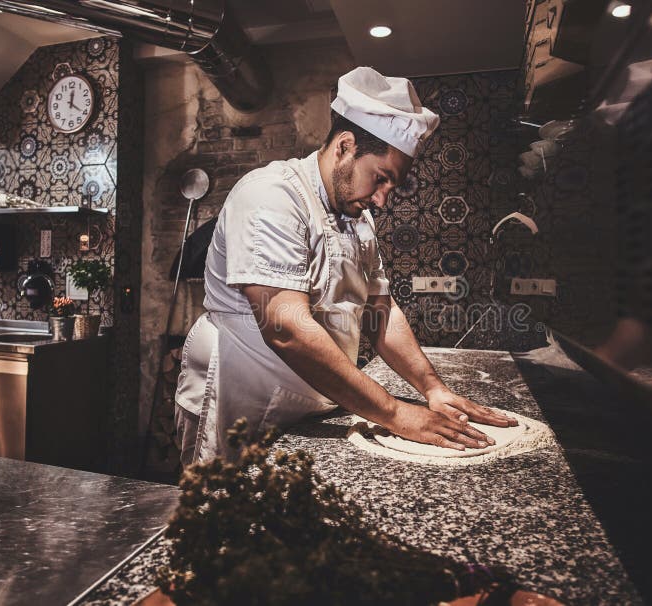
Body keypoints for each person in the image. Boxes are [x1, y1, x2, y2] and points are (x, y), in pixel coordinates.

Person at [174, 67, 516, 465]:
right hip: (241, 404)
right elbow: (286, 330)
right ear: (344, 146)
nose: (382, 200)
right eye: (381, 178)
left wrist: (432, 388)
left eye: (392, 186)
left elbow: (380, 310)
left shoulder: (358, 216)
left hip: (314, 405)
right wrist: (395, 412)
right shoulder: (271, 196)